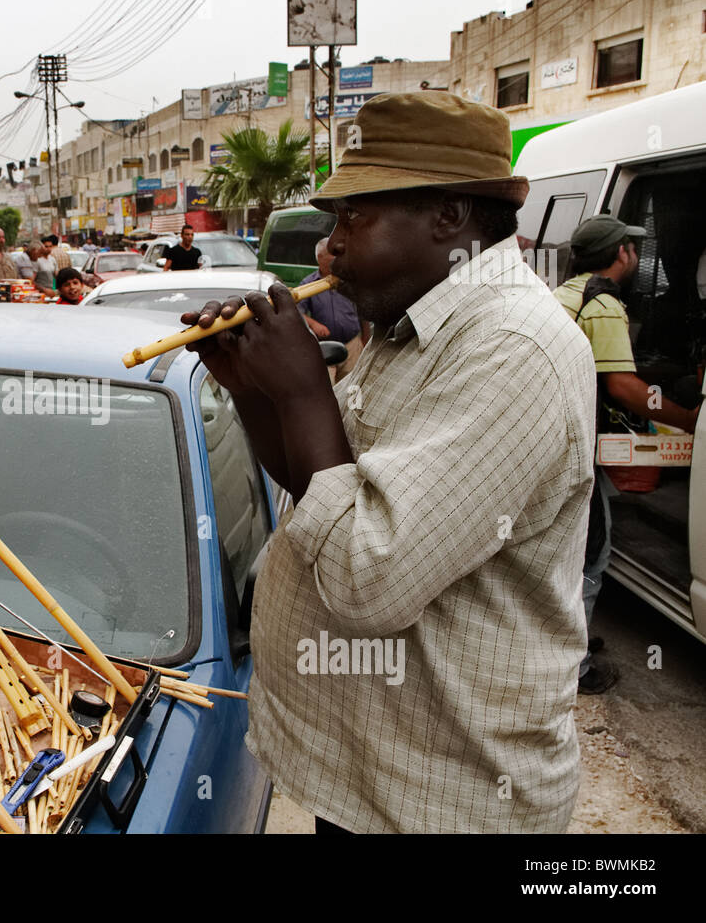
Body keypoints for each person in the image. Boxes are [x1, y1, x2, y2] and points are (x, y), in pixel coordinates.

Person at [183, 91, 596, 833]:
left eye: (353, 219)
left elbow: (365, 578)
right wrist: (251, 390)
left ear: (447, 217)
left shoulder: (511, 350)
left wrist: (306, 385)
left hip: (446, 801)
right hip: (375, 779)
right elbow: (326, 495)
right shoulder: (415, 324)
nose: (327, 250)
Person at [554, 214, 701, 694]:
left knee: (573, 548)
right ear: (622, 254)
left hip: (554, 438)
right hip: (572, 449)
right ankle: (573, 671)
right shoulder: (603, 304)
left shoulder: (569, 292)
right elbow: (624, 386)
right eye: (633, 248)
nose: (637, 256)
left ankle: (566, 641)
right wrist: (689, 419)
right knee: (593, 551)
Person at [298, 237, 367, 379]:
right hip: (325, 349)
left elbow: (363, 310)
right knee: (328, 390)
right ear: (320, 257)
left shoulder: (349, 280)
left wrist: (365, 339)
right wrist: (314, 324)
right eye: (332, 254)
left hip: (352, 345)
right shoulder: (309, 284)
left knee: (351, 388)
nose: (337, 258)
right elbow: (297, 312)